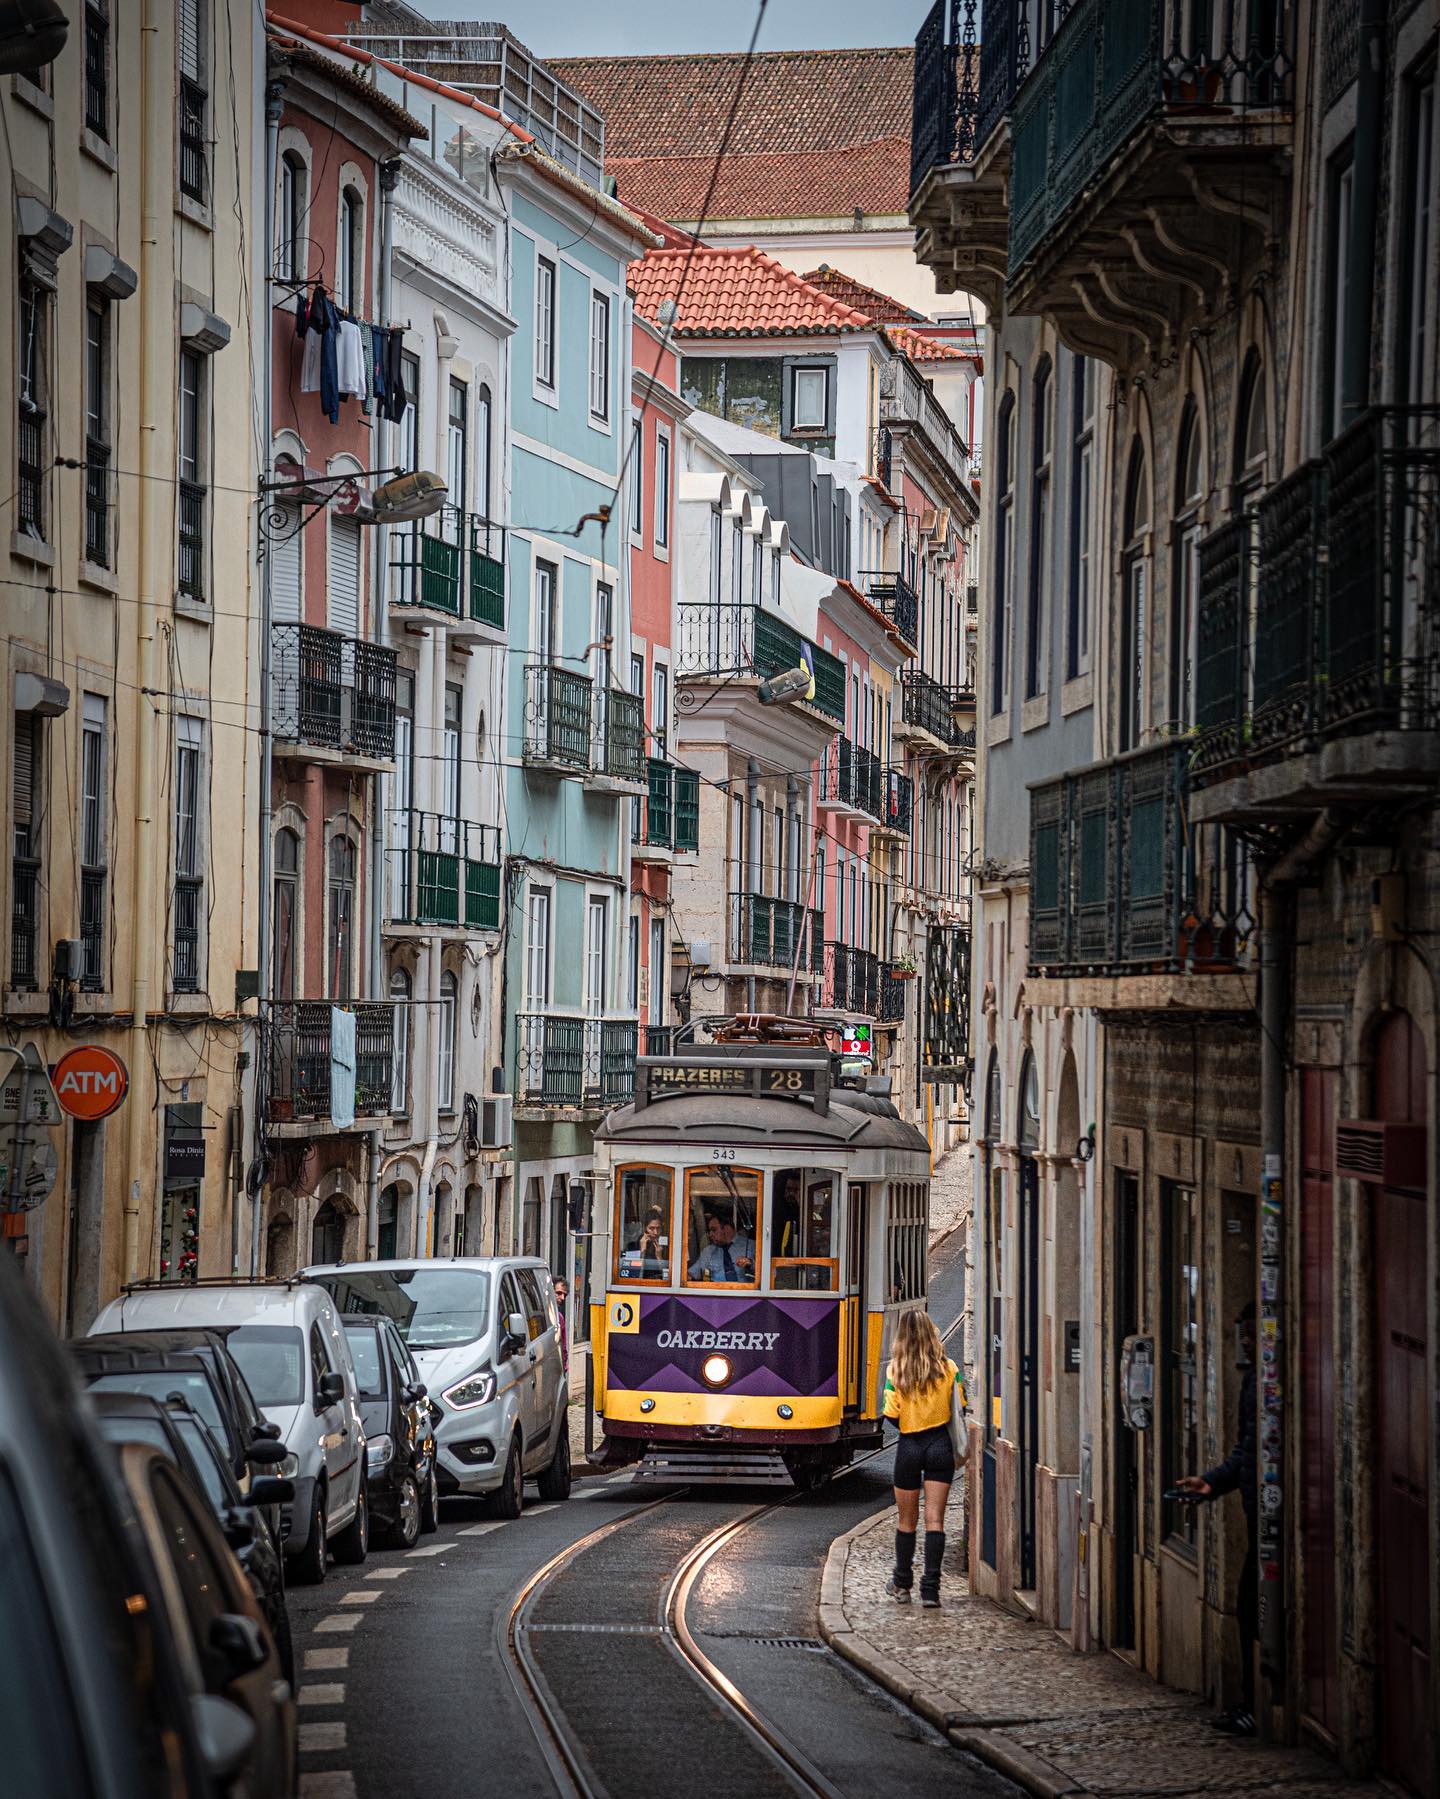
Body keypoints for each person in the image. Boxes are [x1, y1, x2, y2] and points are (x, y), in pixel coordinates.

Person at [1177, 1302, 1257, 1735]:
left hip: (1267, 1520)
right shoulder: (1252, 1384)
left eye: (1250, 1335)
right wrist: (1213, 1483)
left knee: (1251, 1606)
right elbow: (1247, 1450)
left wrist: (1218, 1481)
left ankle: (1256, 1701)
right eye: (1241, 1335)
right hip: (1255, 1512)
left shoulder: (1265, 1384)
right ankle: (1254, 1700)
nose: (1244, 1343)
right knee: (1251, 1607)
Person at [883, 1309, 966, 1607]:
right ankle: (930, 1590)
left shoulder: (896, 1371)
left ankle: (902, 1583)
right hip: (940, 1445)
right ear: (932, 1334)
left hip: (910, 1446)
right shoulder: (950, 1368)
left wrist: (910, 1421)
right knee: (935, 1520)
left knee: (907, 1520)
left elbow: (890, 1412)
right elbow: (962, 1404)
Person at [687, 1205, 755, 1282]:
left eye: (714, 1230)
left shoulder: (751, 1246)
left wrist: (750, 1264)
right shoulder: (708, 1252)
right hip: (715, 1292)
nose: (710, 1234)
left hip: (745, 1293)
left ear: (727, 1228)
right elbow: (691, 1274)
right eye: (709, 1231)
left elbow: (765, 1273)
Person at [551, 1275, 569, 1373]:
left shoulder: (560, 1318)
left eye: (565, 1295)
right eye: (558, 1293)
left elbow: (563, 1346)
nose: (562, 1298)